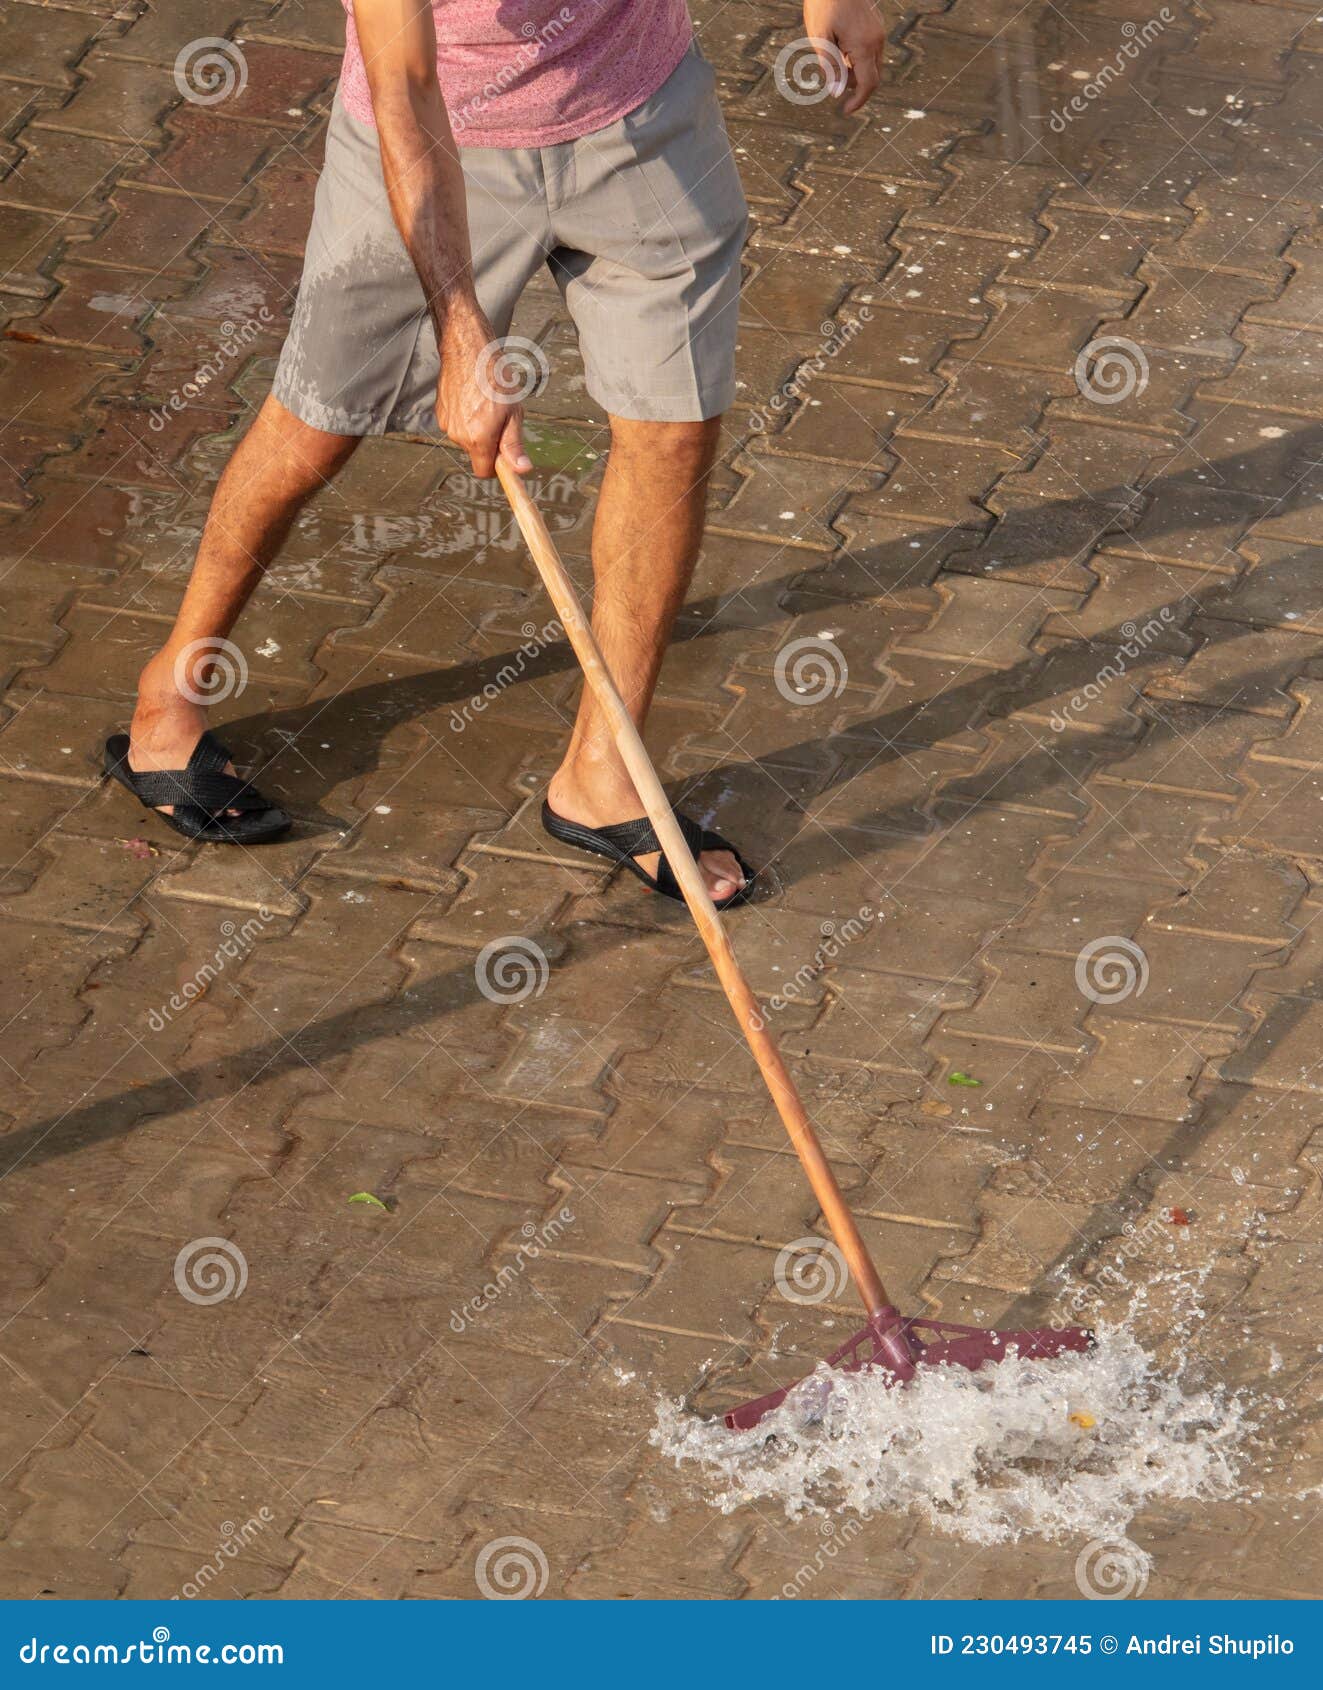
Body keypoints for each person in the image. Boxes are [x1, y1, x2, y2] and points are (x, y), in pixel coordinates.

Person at [106, 0, 884, 908]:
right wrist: (462, 333)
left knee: (674, 433)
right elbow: (406, 91)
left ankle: (604, 773)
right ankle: (169, 697)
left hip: (642, 107)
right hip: (436, 140)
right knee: (318, 422)